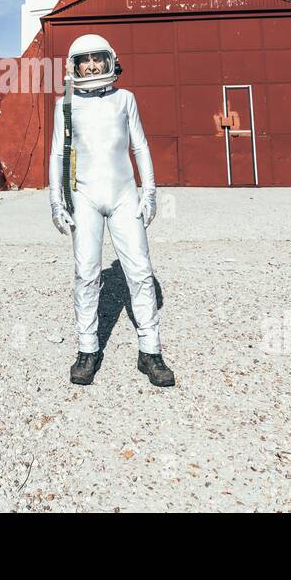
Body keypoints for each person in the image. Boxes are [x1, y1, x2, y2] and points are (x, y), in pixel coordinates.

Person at [49, 33, 175, 387]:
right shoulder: (66, 104)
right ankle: (87, 349)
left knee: (139, 271)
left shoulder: (125, 99)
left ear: (110, 61)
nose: (91, 65)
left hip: (123, 196)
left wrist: (149, 193)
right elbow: (58, 153)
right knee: (86, 273)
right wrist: (56, 200)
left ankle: (150, 350)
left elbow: (141, 146)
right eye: (84, 59)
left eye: (97, 58)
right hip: (84, 196)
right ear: (74, 66)